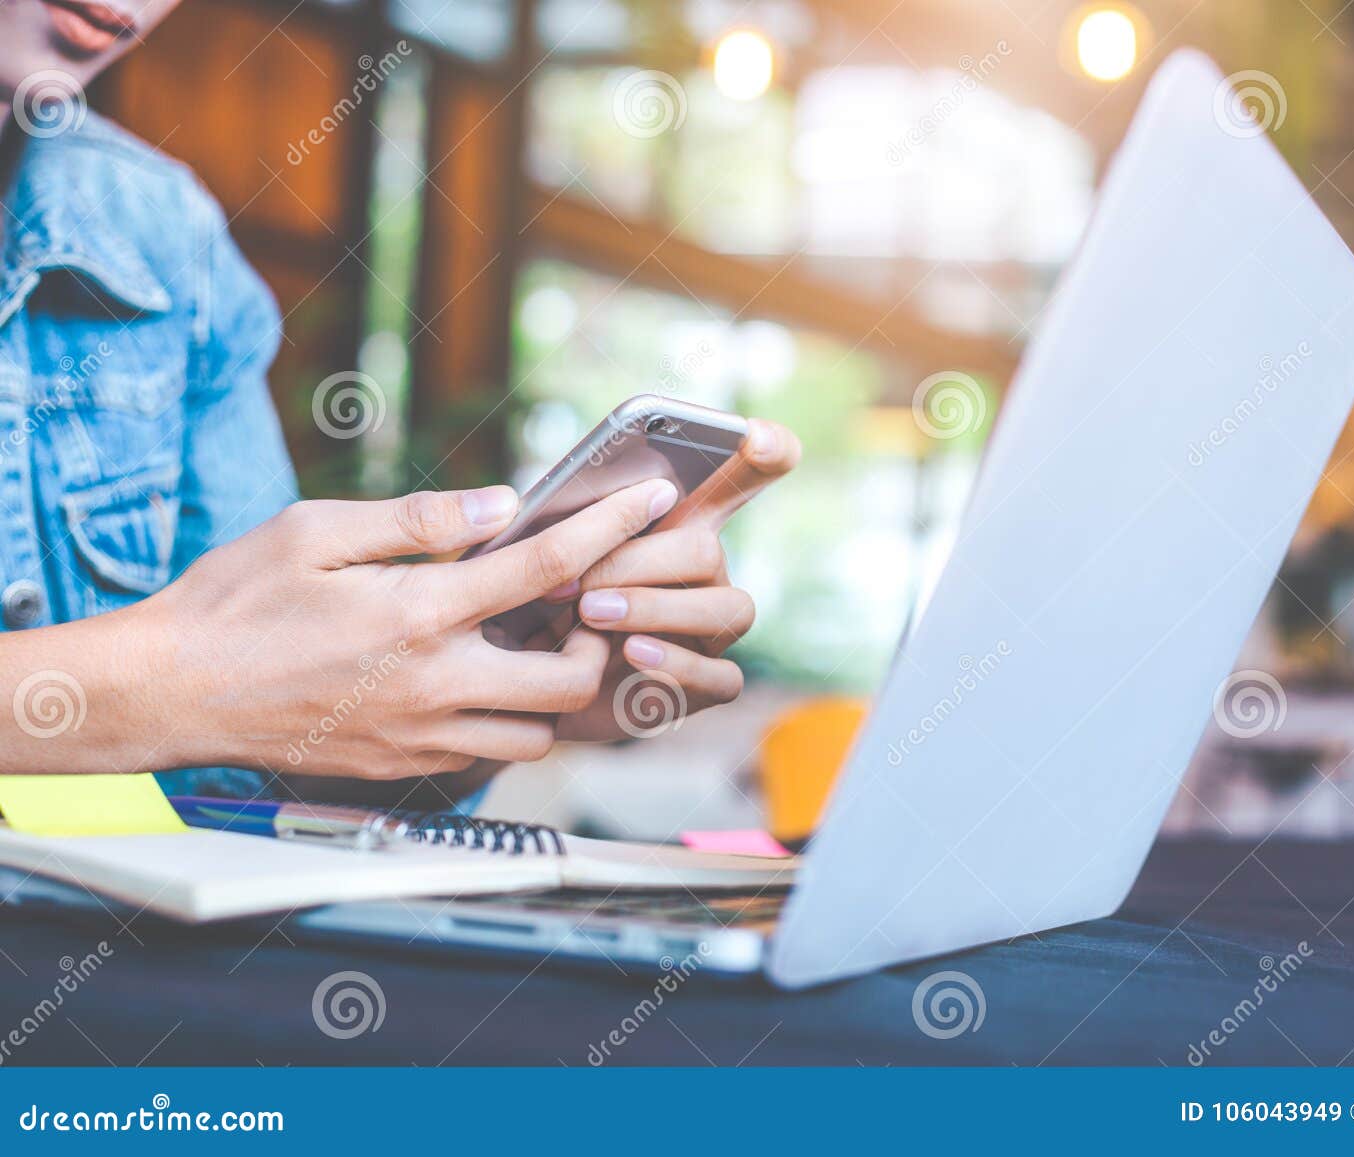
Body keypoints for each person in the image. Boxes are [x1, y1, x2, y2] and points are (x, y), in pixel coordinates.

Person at [0, 0, 799, 807]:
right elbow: (208, 686)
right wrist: (168, 685)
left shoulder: (165, 239)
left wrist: (489, 684)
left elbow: (240, 764)